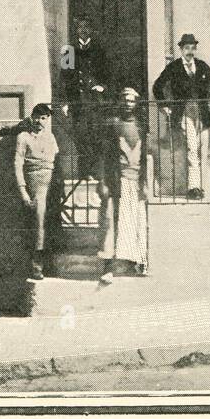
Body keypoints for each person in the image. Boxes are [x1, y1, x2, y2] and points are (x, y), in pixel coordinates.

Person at [152, 33, 210, 201]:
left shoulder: (202, 66)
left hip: (202, 113)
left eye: (192, 48)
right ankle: (193, 188)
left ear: (195, 49)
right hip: (184, 112)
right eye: (186, 48)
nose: (190, 51)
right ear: (181, 49)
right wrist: (165, 106)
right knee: (192, 147)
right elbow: (157, 86)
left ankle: (200, 186)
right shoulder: (174, 67)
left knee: (201, 149)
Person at [96, 86, 150, 284]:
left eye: (132, 100)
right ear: (120, 102)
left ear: (136, 103)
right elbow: (104, 156)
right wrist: (102, 182)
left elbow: (144, 157)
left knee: (137, 222)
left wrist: (145, 183)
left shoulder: (141, 126)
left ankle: (139, 262)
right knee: (111, 223)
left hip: (136, 182)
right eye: (125, 100)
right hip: (116, 181)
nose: (128, 103)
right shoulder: (113, 125)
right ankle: (108, 267)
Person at [13, 103, 59, 280]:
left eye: (44, 117)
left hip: (52, 182)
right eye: (38, 117)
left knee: (51, 221)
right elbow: (18, 165)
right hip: (35, 183)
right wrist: (23, 191)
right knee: (38, 222)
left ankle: (50, 263)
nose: (40, 121)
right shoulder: (23, 137)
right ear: (32, 118)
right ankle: (36, 265)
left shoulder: (50, 137)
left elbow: (55, 158)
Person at [60, 17, 109, 178]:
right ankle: (85, 173)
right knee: (81, 136)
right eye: (80, 27)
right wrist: (65, 102)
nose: (83, 30)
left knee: (96, 134)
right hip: (77, 102)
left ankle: (97, 172)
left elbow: (109, 74)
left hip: (95, 101)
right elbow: (64, 79)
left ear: (91, 29)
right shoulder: (68, 50)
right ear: (76, 30)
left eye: (86, 27)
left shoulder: (100, 49)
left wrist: (103, 86)